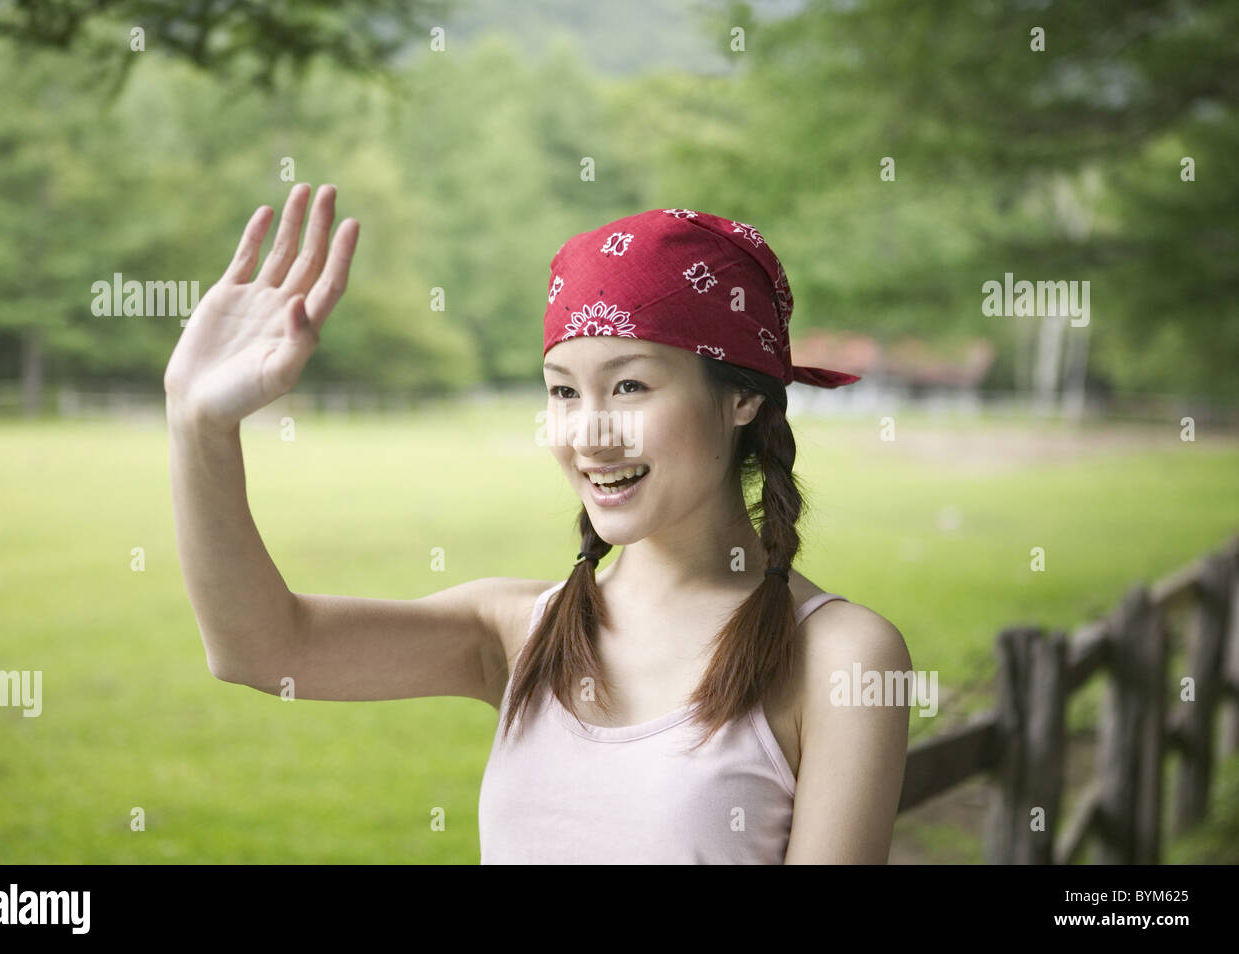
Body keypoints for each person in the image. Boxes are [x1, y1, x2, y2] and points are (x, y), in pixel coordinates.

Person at [164, 184, 912, 864]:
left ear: (742, 398)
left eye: (628, 385)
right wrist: (199, 423)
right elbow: (260, 649)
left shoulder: (841, 657)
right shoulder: (519, 629)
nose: (588, 433)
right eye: (562, 392)